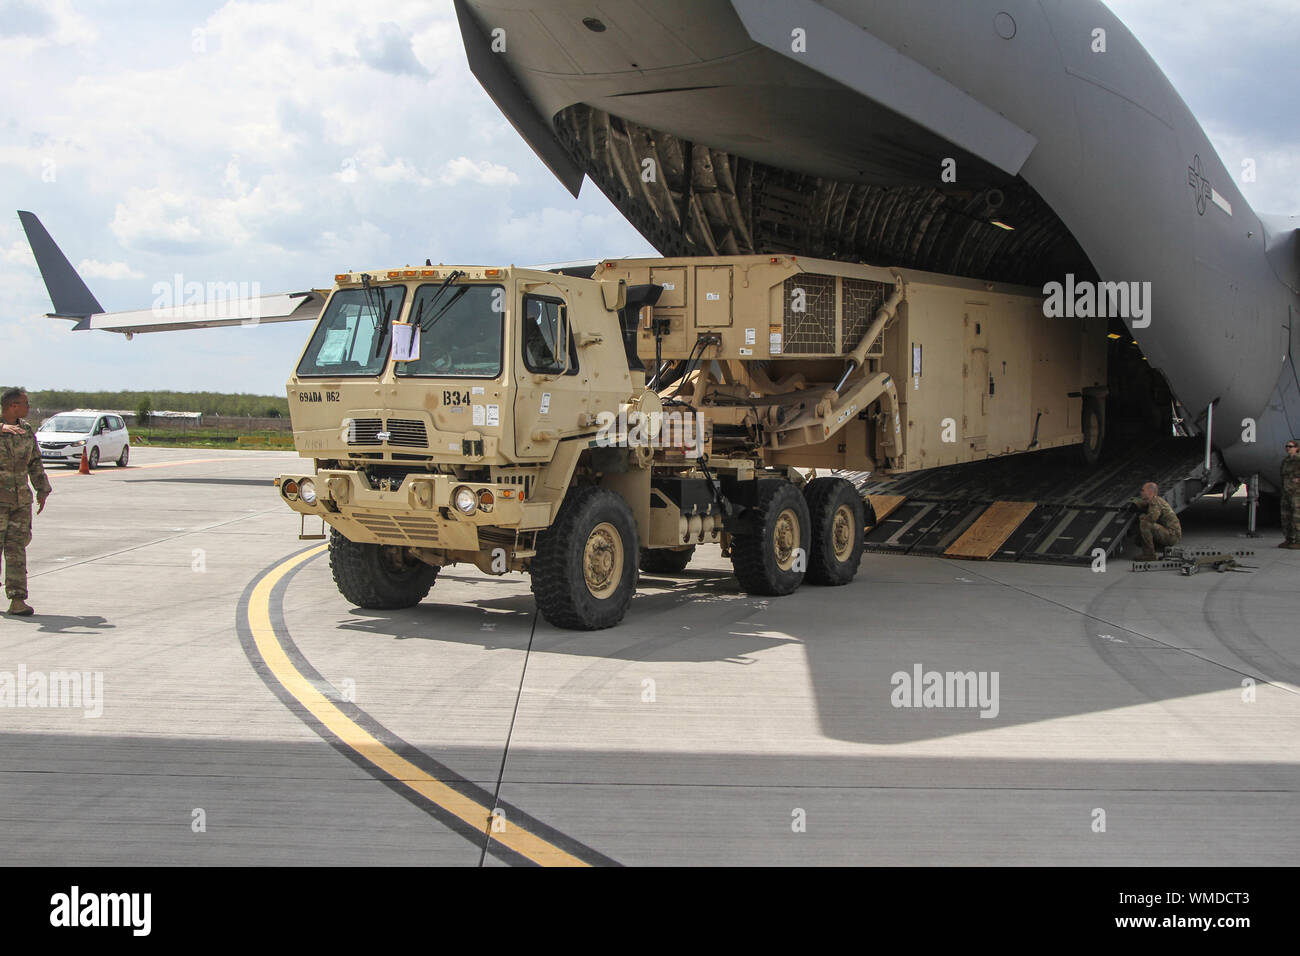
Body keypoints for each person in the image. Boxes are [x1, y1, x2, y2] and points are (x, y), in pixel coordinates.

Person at [1, 388, 51, 615]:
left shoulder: (26, 430)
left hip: (20, 501)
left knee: (17, 550)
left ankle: (17, 599)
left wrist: (42, 488)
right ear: (12, 405)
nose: (28, 407)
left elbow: (35, 461)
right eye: (25, 403)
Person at [1132, 481, 1181, 561]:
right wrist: (1134, 501)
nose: (1141, 492)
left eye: (1142, 490)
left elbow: (1152, 518)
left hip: (1172, 535)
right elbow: (1144, 502)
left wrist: (1142, 516)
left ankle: (1150, 555)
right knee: (1138, 539)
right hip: (1169, 533)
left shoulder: (1156, 502)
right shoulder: (1154, 499)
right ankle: (1158, 549)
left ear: (1150, 492)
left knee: (1145, 524)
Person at [1280, 439, 1300, 549]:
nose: (1288, 448)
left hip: (1297, 493)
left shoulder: (1298, 460)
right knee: (1285, 516)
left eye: (1290, 446)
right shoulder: (1286, 461)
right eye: (1287, 446)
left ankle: (1298, 540)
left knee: (1297, 517)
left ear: (1296, 448)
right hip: (1286, 492)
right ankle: (1289, 539)